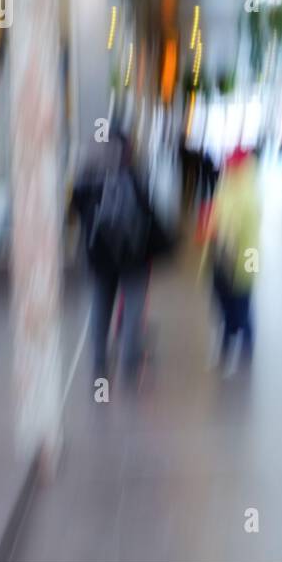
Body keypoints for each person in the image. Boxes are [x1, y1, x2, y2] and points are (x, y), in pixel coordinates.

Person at [70, 130, 174, 386]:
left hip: (98, 257)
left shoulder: (84, 180)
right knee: (133, 308)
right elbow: (150, 214)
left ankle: (99, 364)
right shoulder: (134, 177)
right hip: (133, 256)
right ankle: (129, 366)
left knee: (100, 308)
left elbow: (74, 215)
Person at [205, 149, 261, 375]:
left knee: (242, 300)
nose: (226, 169)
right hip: (224, 255)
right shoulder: (225, 187)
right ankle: (233, 341)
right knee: (225, 299)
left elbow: (238, 224)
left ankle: (241, 345)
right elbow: (217, 218)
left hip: (245, 256)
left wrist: (225, 233)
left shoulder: (246, 191)